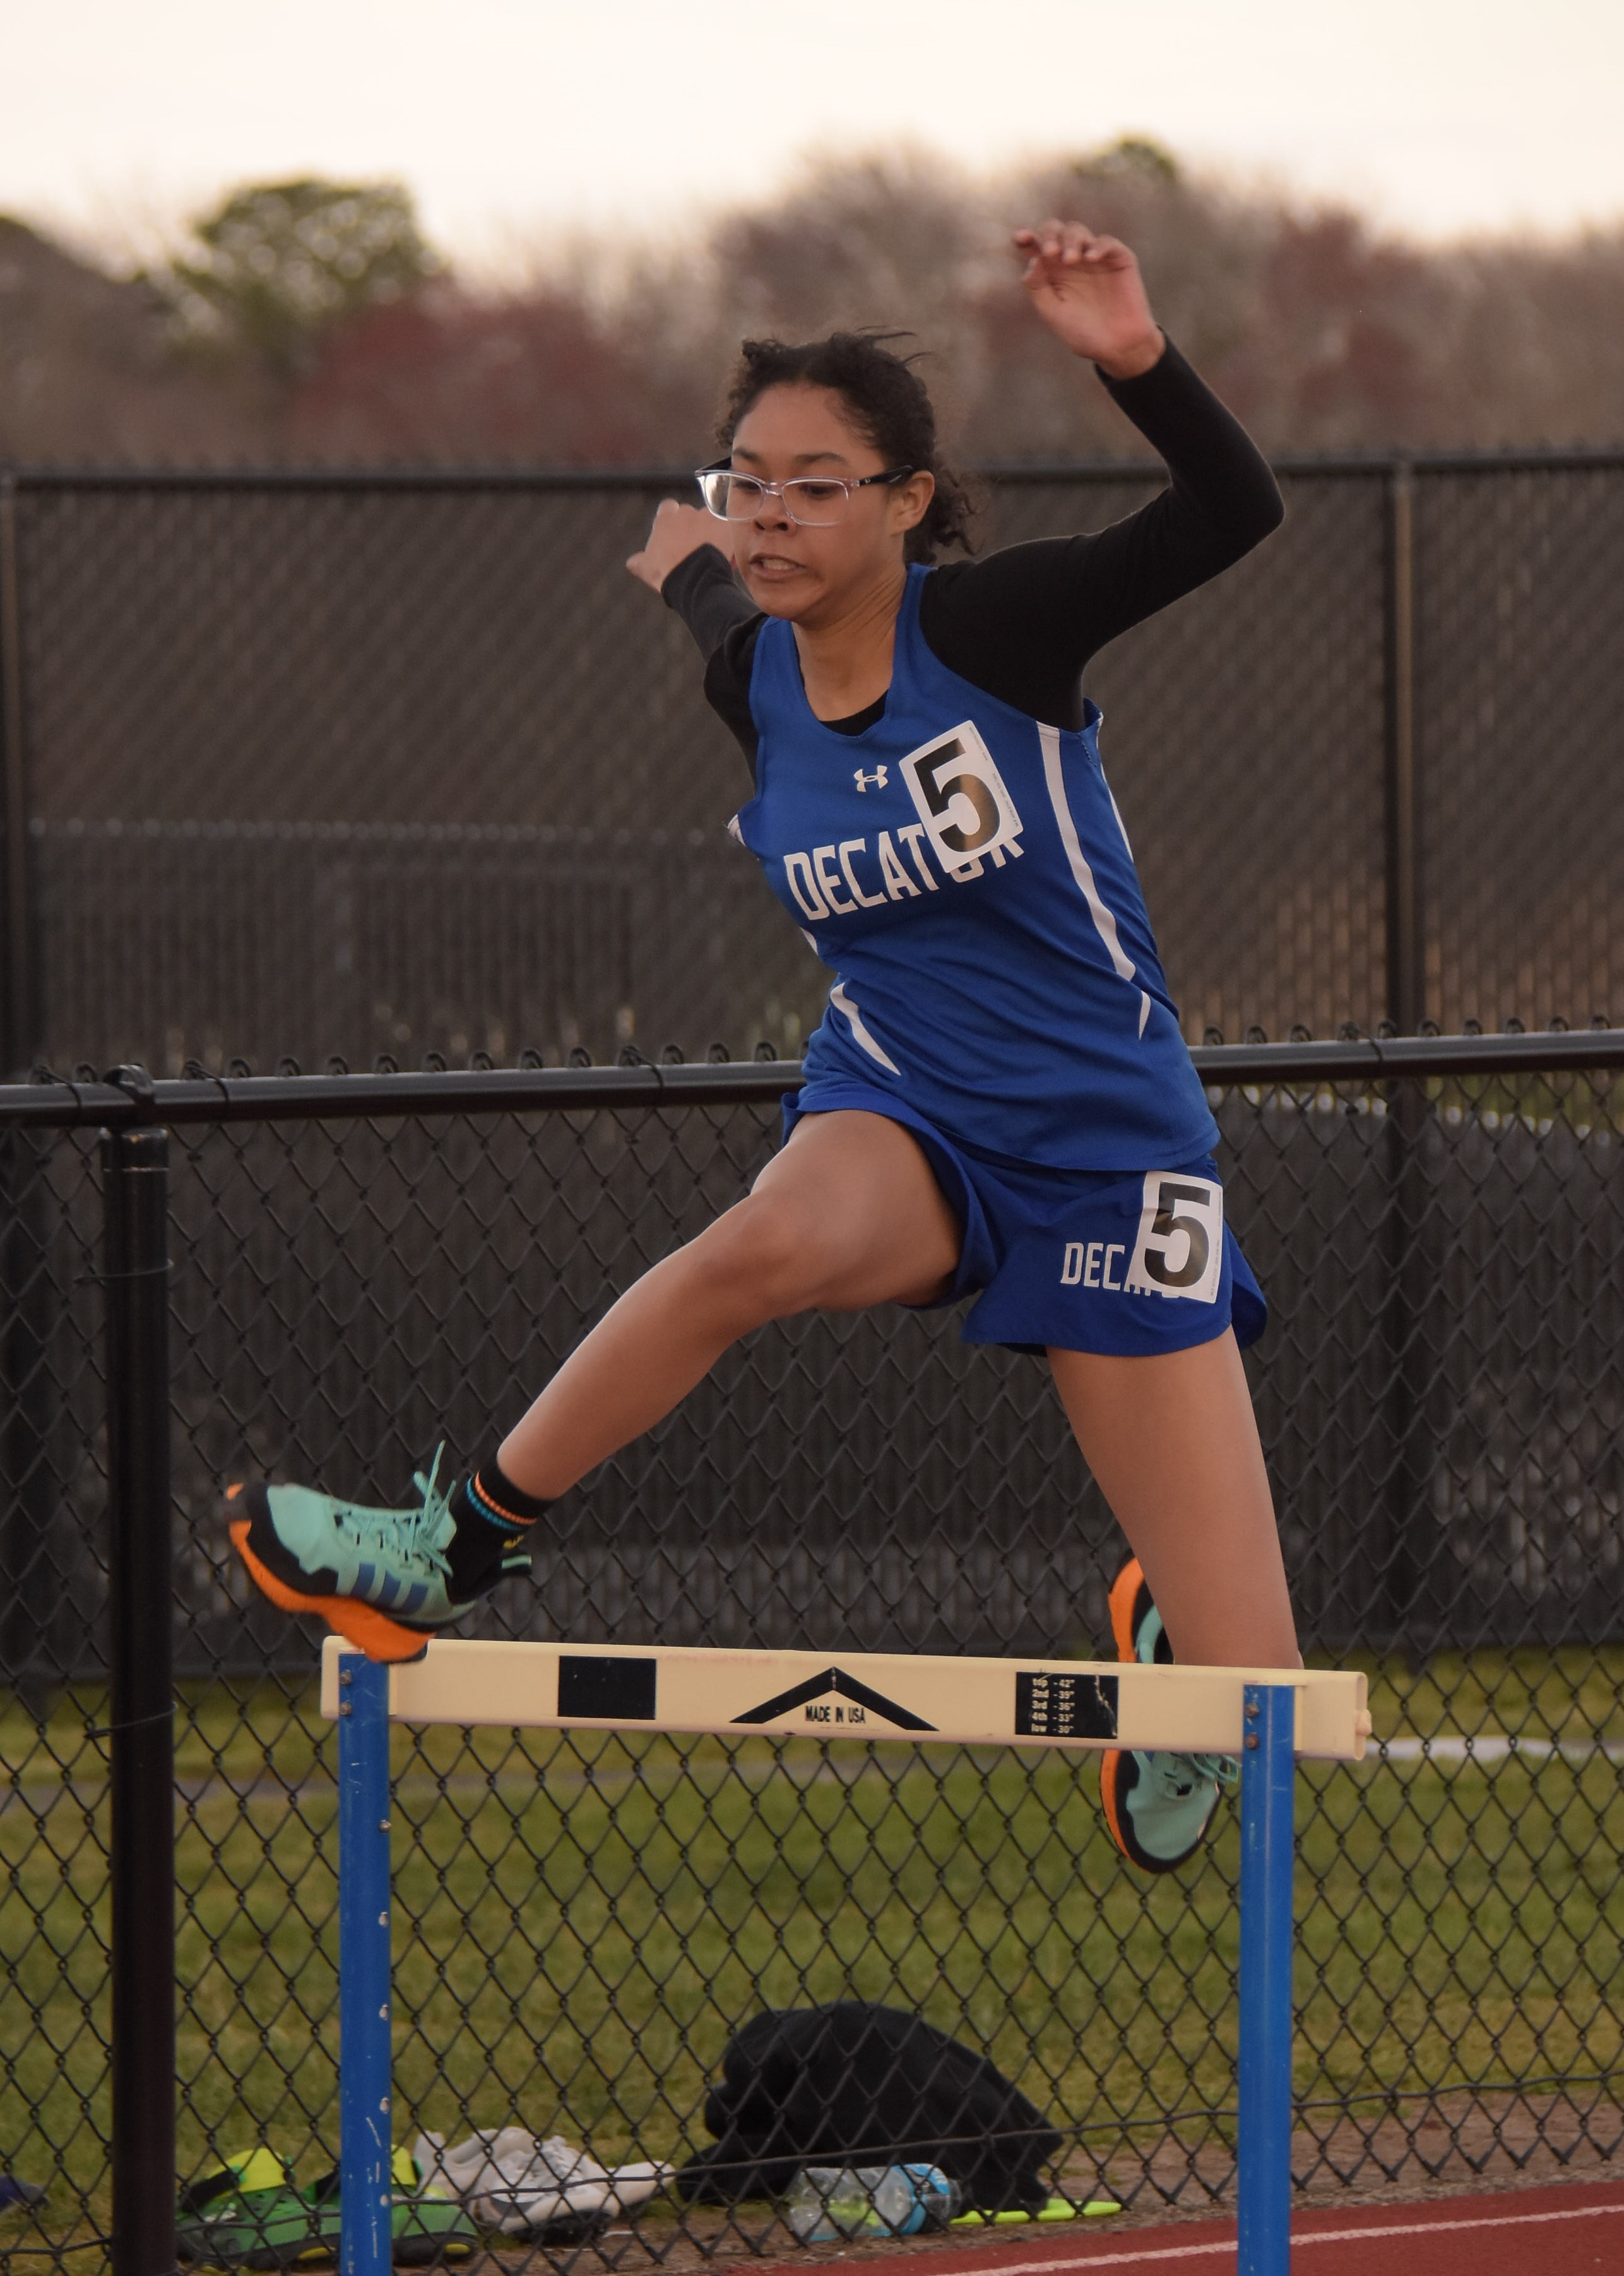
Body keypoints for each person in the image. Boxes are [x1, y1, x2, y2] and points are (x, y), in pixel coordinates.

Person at [230, 218, 1300, 1874]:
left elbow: (1236, 514)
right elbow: (705, 577)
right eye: (751, 480)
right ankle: (449, 1544)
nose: (775, 512)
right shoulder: (756, 676)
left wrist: (1130, 355)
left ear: (911, 501)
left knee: (1268, 1697)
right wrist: (679, 540)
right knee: (760, 1244)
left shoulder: (1001, 630)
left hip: (1108, 1147)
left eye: (820, 481)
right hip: (902, 1101)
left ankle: (1177, 1621)